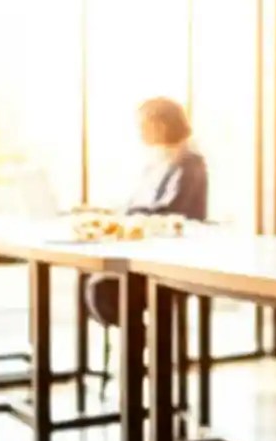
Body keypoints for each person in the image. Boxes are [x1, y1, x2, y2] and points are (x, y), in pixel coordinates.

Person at [85, 97, 208, 327]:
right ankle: (135, 353)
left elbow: (171, 211)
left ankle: (138, 356)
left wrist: (124, 217)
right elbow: (138, 206)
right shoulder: (156, 163)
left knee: (106, 288)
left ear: (160, 125)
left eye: (143, 124)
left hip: (173, 262)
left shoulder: (189, 163)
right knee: (93, 279)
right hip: (148, 256)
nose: (139, 132)